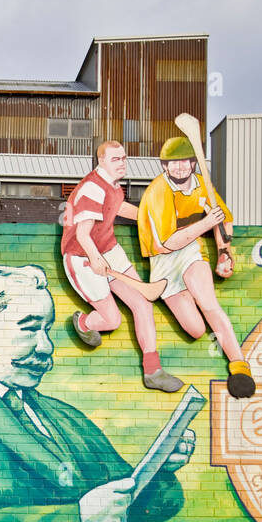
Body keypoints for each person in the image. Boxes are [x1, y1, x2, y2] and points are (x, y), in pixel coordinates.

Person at [0, 264, 194, 522]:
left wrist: (160, 466)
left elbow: (147, 504)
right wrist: (76, 518)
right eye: (29, 328)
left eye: (47, 330)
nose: (46, 347)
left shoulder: (63, 418)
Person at [137, 136, 255, 398]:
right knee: (196, 329)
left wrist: (224, 253)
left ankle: (239, 367)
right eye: (172, 163)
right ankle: (189, 293)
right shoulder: (158, 191)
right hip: (164, 261)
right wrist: (205, 223)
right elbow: (167, 243)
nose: (178, 168)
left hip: (190, 252)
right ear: (164, 166)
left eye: (183, 162)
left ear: (193, 163)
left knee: (209, 303)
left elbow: (223, 222)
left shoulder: (203, 186)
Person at [61, 140, 181, 393]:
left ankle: (153, 371)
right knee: (112, 320)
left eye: (124, 158)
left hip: (109, 248)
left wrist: (150, 219)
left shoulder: (113, 187)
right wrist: (95, 259)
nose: (122, 163)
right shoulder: (93, 188)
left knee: (142, 303)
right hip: (82, 257)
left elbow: (116, 208)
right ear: (101, 160)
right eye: (116, 159)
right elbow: (83, 234)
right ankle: (84, 323)